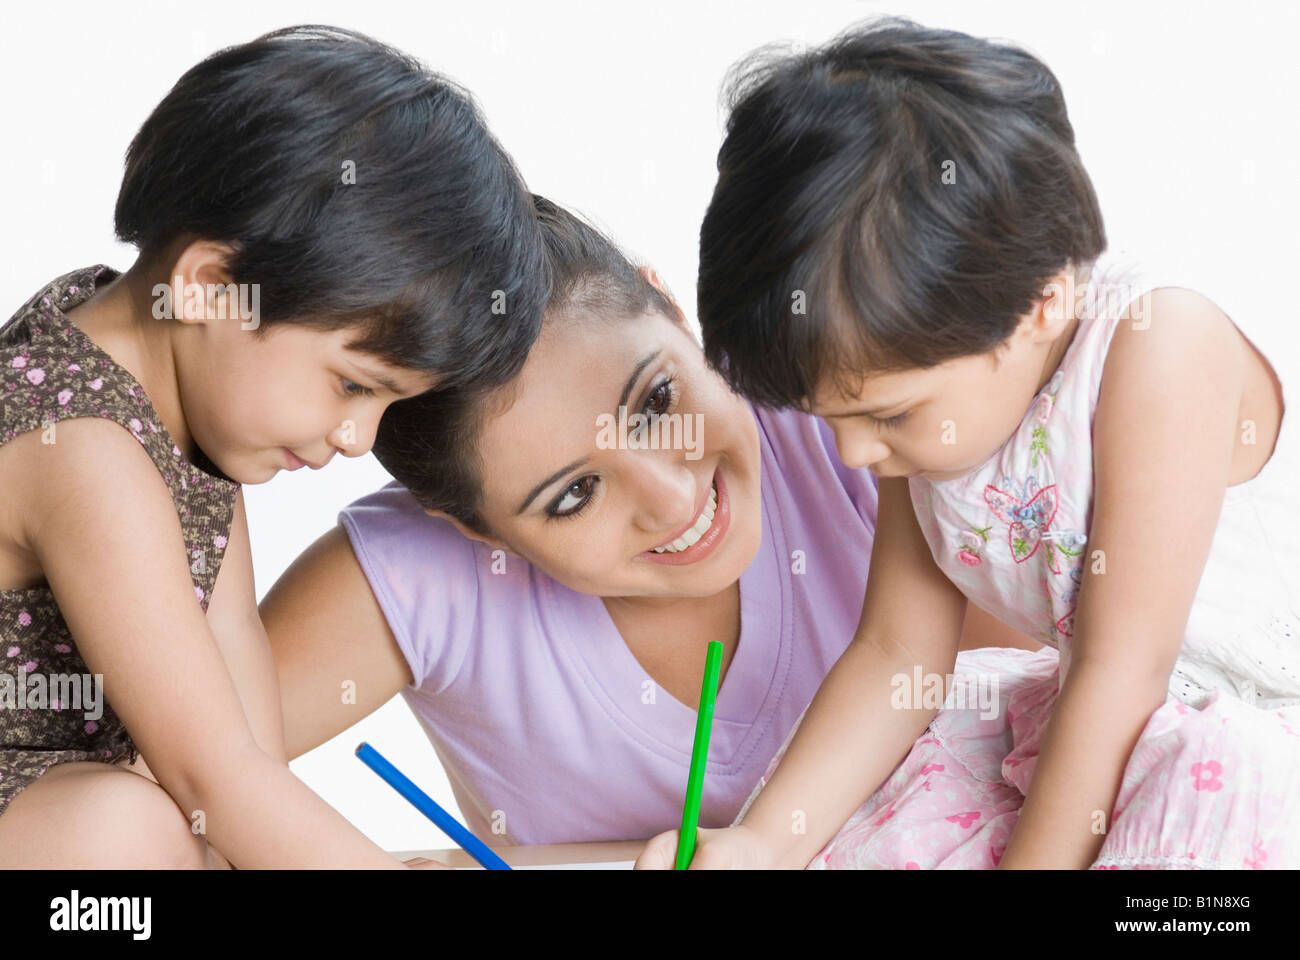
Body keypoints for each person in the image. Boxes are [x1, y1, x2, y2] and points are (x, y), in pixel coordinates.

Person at [637, 16, 1300, 870]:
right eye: (828, 418)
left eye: (885, 416)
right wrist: (764, 841)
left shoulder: (1160, 344)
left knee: (1205, 795)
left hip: (1242, 739)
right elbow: (894, 654)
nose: (853, 456)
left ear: (1040, 307)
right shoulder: (924, 425)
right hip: (1089, 723)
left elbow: (1121, 673)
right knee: (909, 794)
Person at [263, 195, 1036, 847]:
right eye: (572, 495)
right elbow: (169, 795)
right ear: (478, 529)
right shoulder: (415, 577)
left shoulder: (851, 422)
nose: (671, 500)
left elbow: (1047, 716)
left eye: (657, 404)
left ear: (668, 306)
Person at [0, 25, 546, 868]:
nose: (358, 439)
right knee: (125, 828)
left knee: (177, 821)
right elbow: (213, 779)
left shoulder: (184, 416)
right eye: (355, 385)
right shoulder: (78, 440)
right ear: (213, 289)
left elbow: (249, 745)